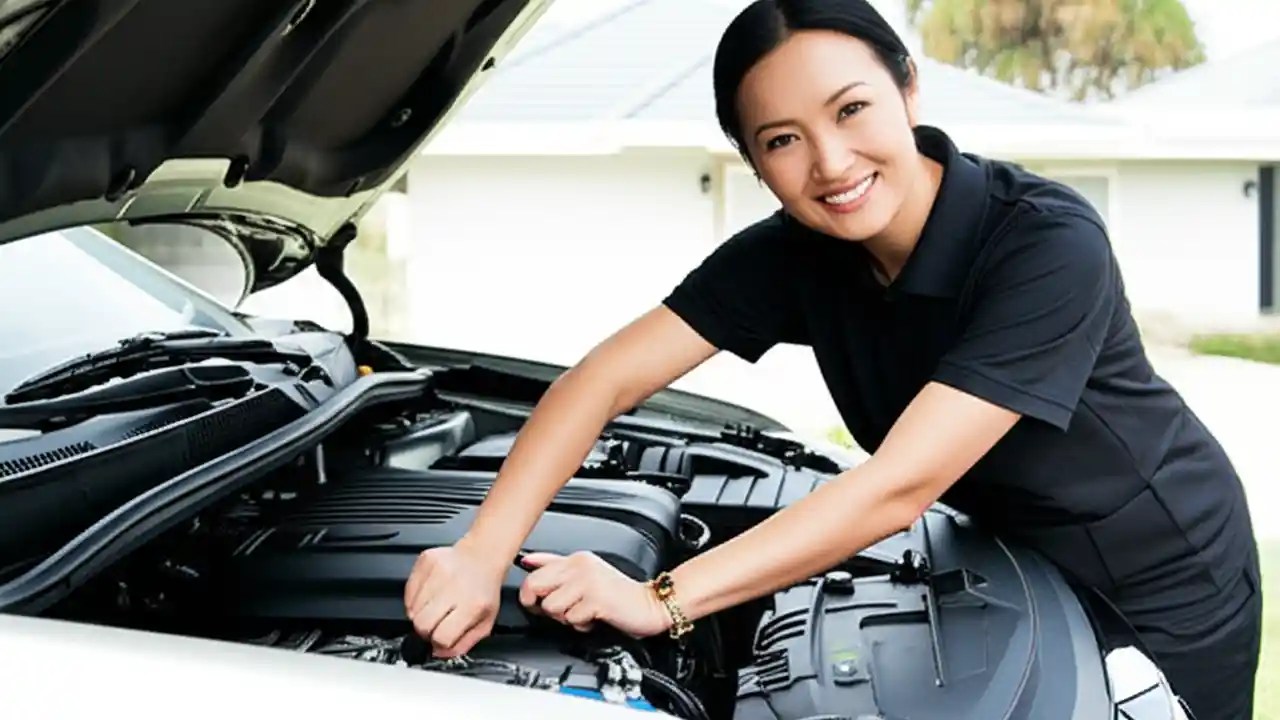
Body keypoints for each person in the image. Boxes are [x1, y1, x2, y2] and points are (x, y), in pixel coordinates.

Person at [401, 1, 1262, 717]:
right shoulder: (795, 254)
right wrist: (483, 551)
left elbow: (896, 487)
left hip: (1158, 572)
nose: (831, 163)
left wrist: (660, 599)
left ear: (908, 89)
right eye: (782, 140)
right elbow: (603, 379)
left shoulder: (1044, 241)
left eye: (851, 110)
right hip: (1004, 552)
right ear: (752, 160)